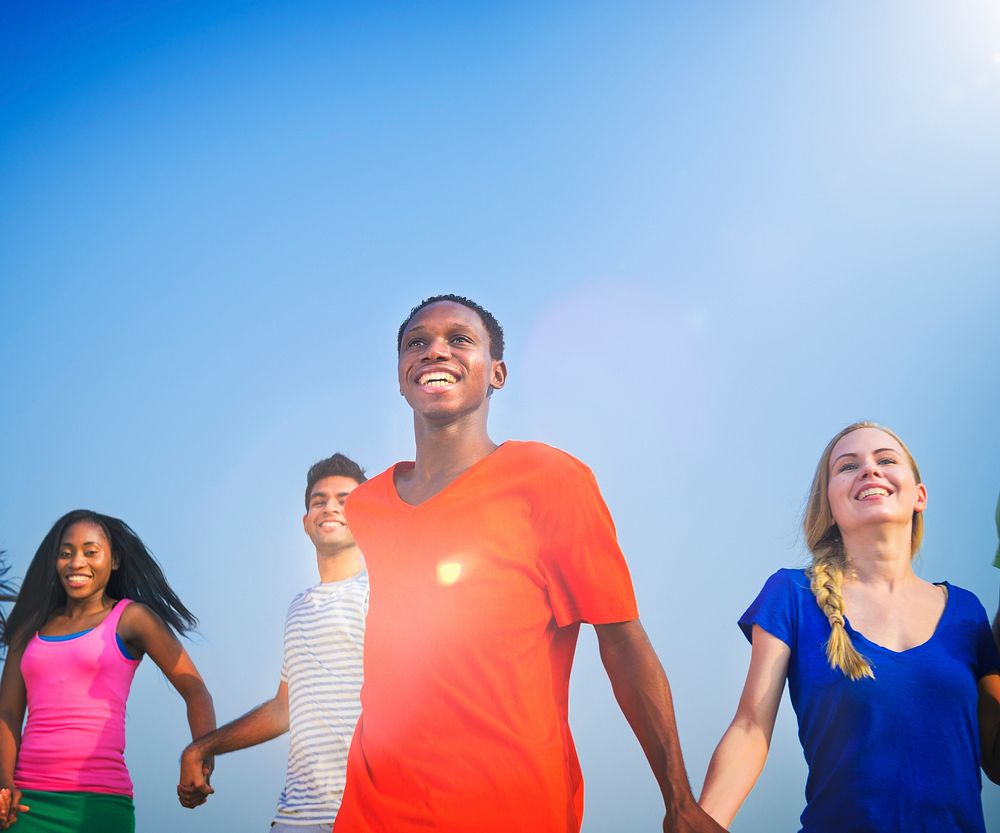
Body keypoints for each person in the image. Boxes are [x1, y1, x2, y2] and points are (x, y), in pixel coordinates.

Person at [332, 294, 723, 833]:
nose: (434, 351)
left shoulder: (550, 481)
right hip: (371, 811)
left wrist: (678, 800)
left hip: (510, 804)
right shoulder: (366, 505)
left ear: (497, 373)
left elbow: (623, 642)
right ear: (401, 378)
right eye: (416, 343)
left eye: (459, 339)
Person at [698, 421, 1000, 832]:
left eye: (886, 460)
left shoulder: (968, 611)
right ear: (830, 503)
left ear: (920, 496)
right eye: (847, 466)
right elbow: (751, 727)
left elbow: (995, 756)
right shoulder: (792, 594)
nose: (869, 470)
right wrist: (703, 822)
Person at [179, 453, 369, 831]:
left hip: (365, 815)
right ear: (305, 523)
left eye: (345, 500)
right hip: (296, 817)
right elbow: (284, 709)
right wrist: (202, 746)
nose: (330, 507)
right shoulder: (299, 608)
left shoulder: (382, 592)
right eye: (320, 500)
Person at [0, 509, 215, 832]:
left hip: (100, 803)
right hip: (26, 804)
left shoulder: (132, 618)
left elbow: (195, 690)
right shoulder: (29, 626)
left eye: (90, 552)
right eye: (66, 553)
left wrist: (201, 757)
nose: (76, 563)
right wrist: (3, 781)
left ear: (113, 561)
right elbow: (8, 713)